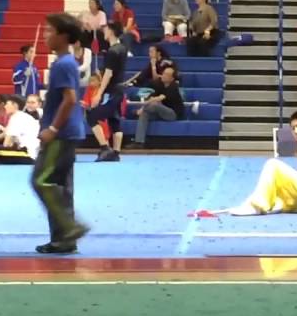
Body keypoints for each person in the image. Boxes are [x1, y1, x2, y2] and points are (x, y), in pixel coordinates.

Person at [31, 14, 89, 254]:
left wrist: (52, 129)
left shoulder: (63, 64)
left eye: (49, 31)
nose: (45, 36)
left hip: (61, 134)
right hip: (69, 132)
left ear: (63, 36)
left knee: (41, 180)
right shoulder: (66, 63)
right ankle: (63, 240)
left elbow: (70, 99)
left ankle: (70, 227)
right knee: (62, 186)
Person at [87, 22, 129, 162]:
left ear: (110, 31)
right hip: (119, 88)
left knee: (92, 115)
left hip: (111, 90)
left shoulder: (112, 51)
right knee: (114, 119)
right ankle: (116, 152)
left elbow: (109, 73)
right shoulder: (122, 48)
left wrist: (99, 93)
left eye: (106, 29)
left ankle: (105, 147)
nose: (103, 32)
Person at [132, 65, 185, 145]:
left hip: (173, 114)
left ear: (172, 78)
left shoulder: (174, 86)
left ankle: (137, 112)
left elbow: (159, 98)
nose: (163, 75)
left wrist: (142, 108)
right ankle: (139, 141)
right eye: (163, 73)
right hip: (161, 112)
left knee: (154, 105)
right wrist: (143, 109)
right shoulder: (159, 84)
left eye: (167, 74)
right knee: (144, 114)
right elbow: (152, 98)